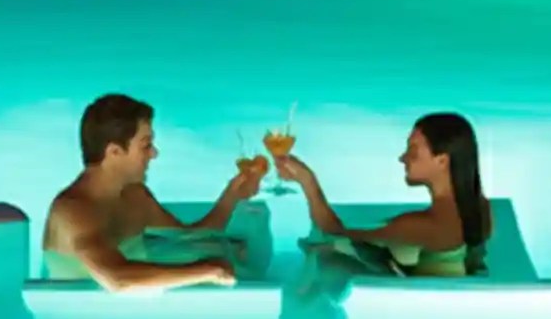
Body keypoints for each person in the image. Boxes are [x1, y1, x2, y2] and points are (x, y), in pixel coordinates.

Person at [42, 93, 262, 292]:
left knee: (225, 249)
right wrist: (208, 271)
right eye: (146, 145)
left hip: (133, 312)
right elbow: (117, 279)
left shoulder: (135, 196)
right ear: (115, 152)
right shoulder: (73, 211)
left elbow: (190, 236)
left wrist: (232, 196)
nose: (154, 153)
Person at [274, 112, 493, 277]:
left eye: (412, 150)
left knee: (325, 255)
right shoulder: (479, 209)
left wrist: (307, 180)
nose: (402, 158)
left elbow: (333, 232)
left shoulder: (421, 226)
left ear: (442, 161)